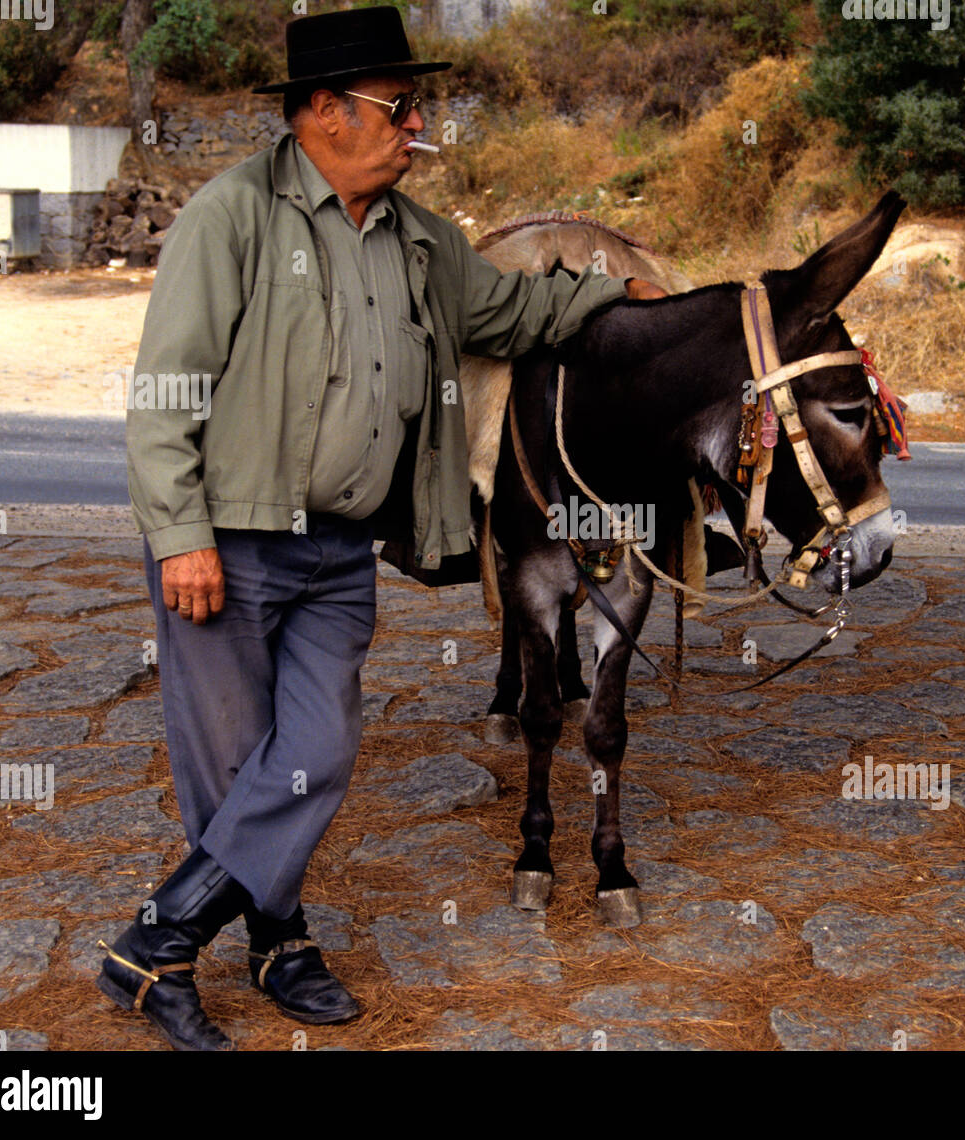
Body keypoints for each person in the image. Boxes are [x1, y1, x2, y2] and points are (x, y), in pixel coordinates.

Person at [101, 5, 666, 1051]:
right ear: (322, 112)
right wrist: (178, 533)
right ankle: (276, 943)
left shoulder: (421, 242)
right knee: (233, 775)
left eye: (419, 110)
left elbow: (513, 313)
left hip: (337, 553)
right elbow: (166, 391)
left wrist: (610, 296)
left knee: (313, 758)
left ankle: (155, 940)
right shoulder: (230, 218)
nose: (418, 129)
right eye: (401, 109)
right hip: (224, 541)